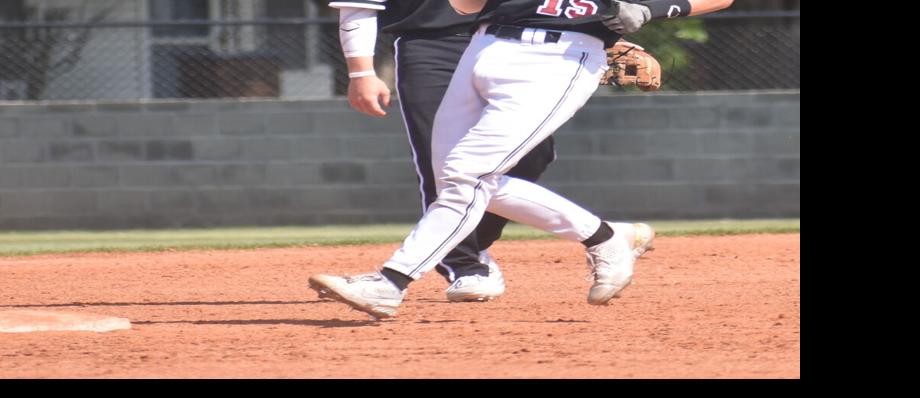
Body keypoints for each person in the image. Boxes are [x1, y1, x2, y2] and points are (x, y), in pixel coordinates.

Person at [313, 0, 736, 319]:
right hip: (486, 44)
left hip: (560, 56)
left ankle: (390, 282)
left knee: (470, 173)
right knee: (454, 175)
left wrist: (650, 9)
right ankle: (605, 237)